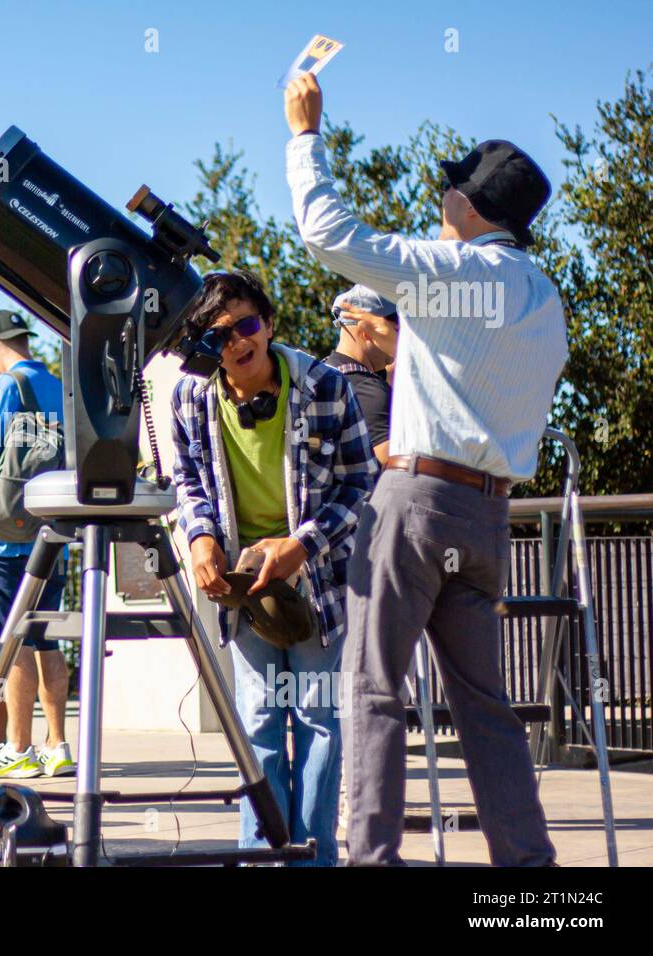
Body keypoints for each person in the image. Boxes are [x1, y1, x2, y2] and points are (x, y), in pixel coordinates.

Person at [284, 73, 565, 865]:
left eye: (448, 192)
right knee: (486, 711)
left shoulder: (454, 273)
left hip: (414, 499)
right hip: (488, 514)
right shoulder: (544, 296)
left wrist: (305, 134)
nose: (440, 201)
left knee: (373, 689)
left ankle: (372, 859)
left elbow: (329, 234)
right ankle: (528, 872)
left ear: (467, 209)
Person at [171, 270, 377, 866]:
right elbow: (185, 481)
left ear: (269, 323)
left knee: (317, 720)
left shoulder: (325, 384)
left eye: (248, 324)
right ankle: (261, 856)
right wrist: (201, 535)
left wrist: (303, 544)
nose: (238, 342)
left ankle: (313, 858)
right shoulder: (188, 396)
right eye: (219, 336)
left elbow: (363, 481)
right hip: (239, 585)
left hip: (317, 578)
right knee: (257, 722)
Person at [0, 310, 74, 779]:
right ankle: (58, 745)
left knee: (13, 639)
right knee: (46, 637)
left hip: (3, 537)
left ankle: (18, 747)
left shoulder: (8, 387)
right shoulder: (56, 385)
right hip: (51, 533)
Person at [323, 285, 401, 465]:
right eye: (397, 329)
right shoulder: (367, 390)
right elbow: (398, 470)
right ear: (367, 330)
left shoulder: (324, 375)